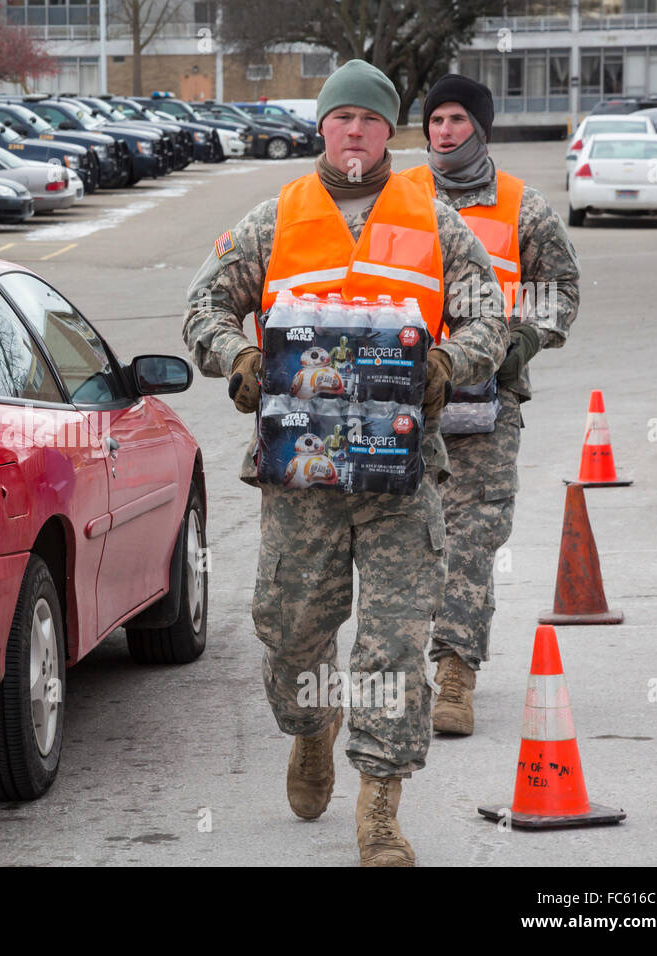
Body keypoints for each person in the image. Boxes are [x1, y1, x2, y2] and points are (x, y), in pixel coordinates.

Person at [182, 59, 508, 866]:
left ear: (388, 131)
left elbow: (488, 320)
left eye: (370, 118)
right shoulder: (273, 220)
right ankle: (309, 728)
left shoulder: (436, 220)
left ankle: (380, 807)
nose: (355, 130)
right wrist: (237, 358)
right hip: (301, 475)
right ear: (321, 128)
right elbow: (204, 307)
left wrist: (446, 365)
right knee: (292, 633)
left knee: (394, 643)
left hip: (401, 475)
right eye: (341, 118)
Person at [397, 75, 580, 736]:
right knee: (409, 540)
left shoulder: (519, 206)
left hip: (485, 403)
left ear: (481, 126)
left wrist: (522, 341)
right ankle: (401, 665)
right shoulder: (397, 196)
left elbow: (558, 288)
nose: (443, 131)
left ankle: (455, 672)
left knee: (472, 539)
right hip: (403, 400)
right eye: (435, 119)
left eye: (456, 119)